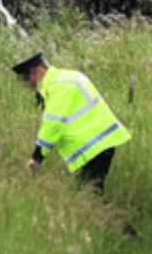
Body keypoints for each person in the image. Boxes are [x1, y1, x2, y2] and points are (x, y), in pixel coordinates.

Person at [13, 52, 132, 197]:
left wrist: (37, 158)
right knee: (89, 194)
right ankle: (106, 218)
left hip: (94, 145)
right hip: (100, 143)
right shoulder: (65, 78)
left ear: (38, 70)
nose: (27, 84)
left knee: (89, 196)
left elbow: (54, 125)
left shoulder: (59, 87)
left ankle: (113, 220)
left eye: (27, 78)